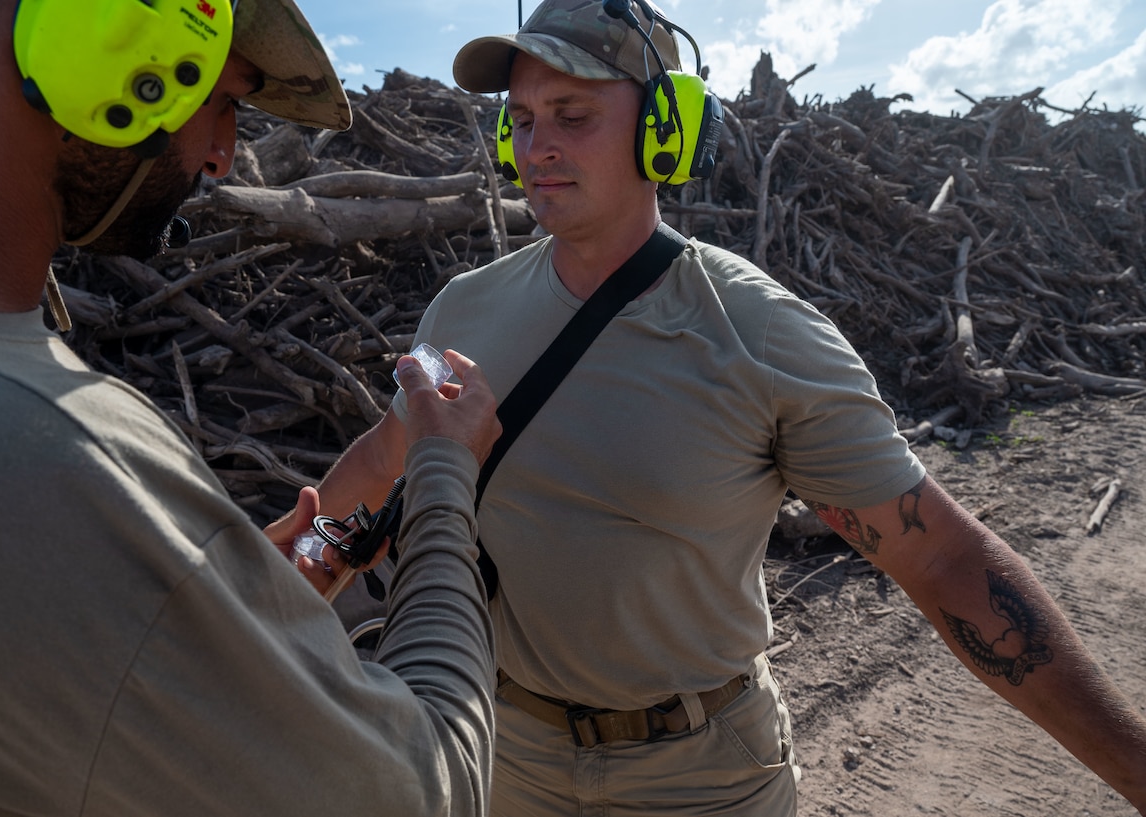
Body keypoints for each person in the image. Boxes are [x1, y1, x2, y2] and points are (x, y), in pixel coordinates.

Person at [281, 0, 1146, 815]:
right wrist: (281, 586)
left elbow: (944, 557)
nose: (537, 145)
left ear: (664, 128)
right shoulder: (463, 310)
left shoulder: (759, 332)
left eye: (573, 115)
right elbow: (388, 456)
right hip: (504, 761)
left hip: (701, 777)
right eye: (523, 119)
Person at [0, 0, 503, 814]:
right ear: (108, 37)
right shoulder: (45, 456)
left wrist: (205, 609)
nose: (221, 154)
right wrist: (445, 485)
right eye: (223, 99)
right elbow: (423, 789)